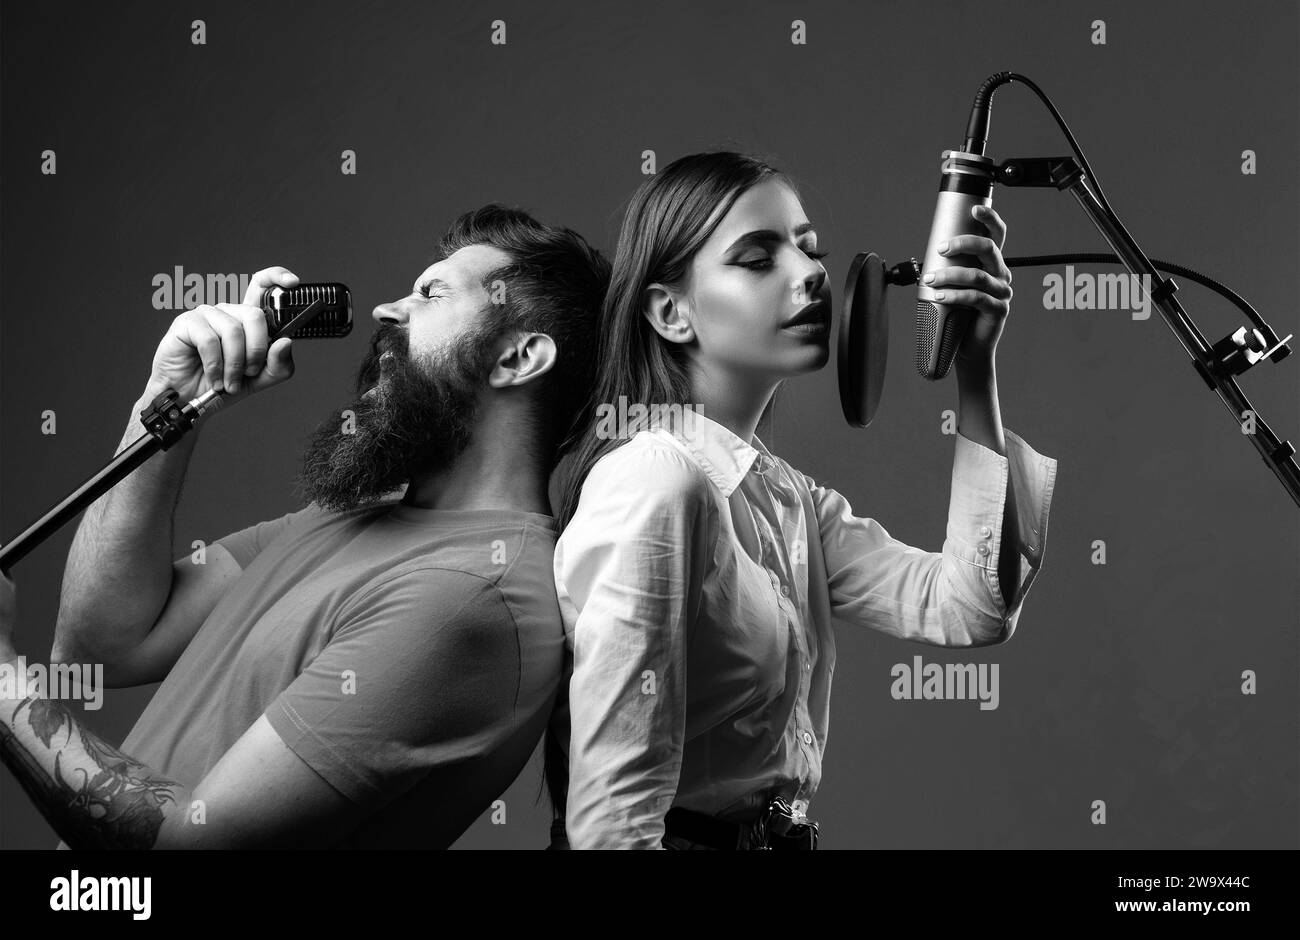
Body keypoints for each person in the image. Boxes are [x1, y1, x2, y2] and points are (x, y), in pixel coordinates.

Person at [0, 204, 610, 848]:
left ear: (518, 357)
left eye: (430, 293)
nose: (386, 311)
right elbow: (104, 644)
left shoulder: (472, 595)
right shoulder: (351, 515)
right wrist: (168, 402)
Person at [545, 151, 1059, 849]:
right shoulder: (656, 482)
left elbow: (971, 608)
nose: (812, 272)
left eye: (809, 249)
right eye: (758, 258)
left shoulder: (784, 498)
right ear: (670, 312)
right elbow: (613, 826)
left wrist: (974, 367)